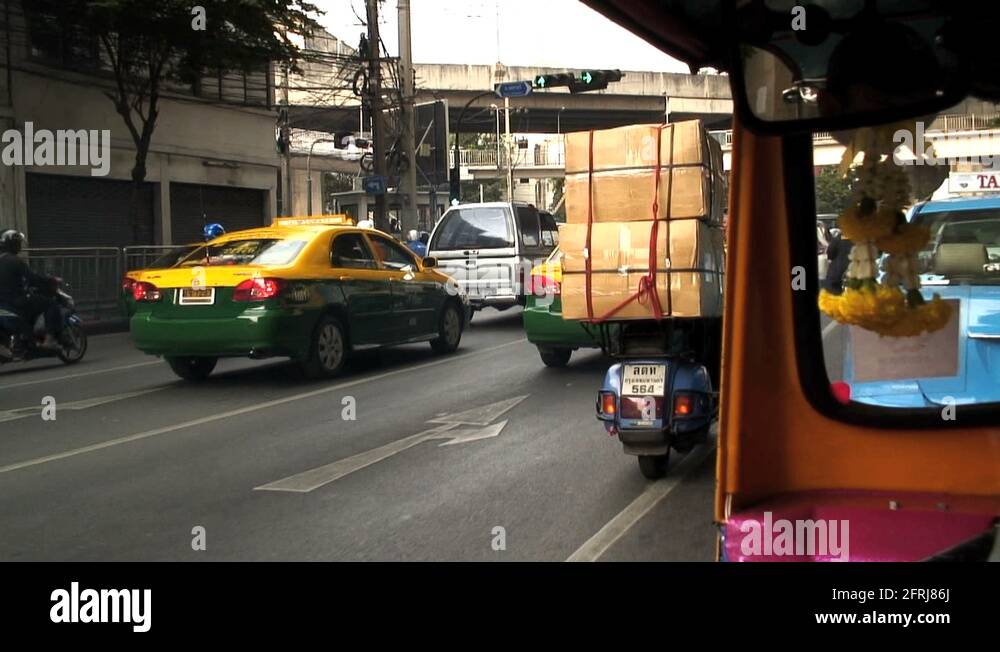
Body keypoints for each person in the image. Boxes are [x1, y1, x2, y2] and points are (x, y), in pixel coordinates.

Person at [0, 229, 63, 350]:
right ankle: (49, 339)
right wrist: (51, 281)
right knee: (50, 303)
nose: (19, 246)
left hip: (3, 303)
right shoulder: (15, 261)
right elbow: (33, 279)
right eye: (18, 243)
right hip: (15, 301)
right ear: (13, 244)